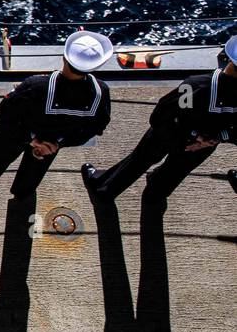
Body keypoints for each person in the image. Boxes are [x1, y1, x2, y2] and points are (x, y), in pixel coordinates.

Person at [0, 31, 113, 205]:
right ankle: (23, 192)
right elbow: (97, 127)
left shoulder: (36, 86)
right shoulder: (101, 92)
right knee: (36, 167)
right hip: (53, 144)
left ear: (65, 57)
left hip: (16, 136)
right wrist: (58, 142)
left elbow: (3, 117)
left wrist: (32, 139)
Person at [83, 34, 237, 206]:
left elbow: (161, 113)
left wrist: (193, 134)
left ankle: (104, 189)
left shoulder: (195, 84)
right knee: (175, 172)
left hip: (168, 135)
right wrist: (213, 138)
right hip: (203, 146)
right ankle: (155, 193)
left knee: (139, 161)